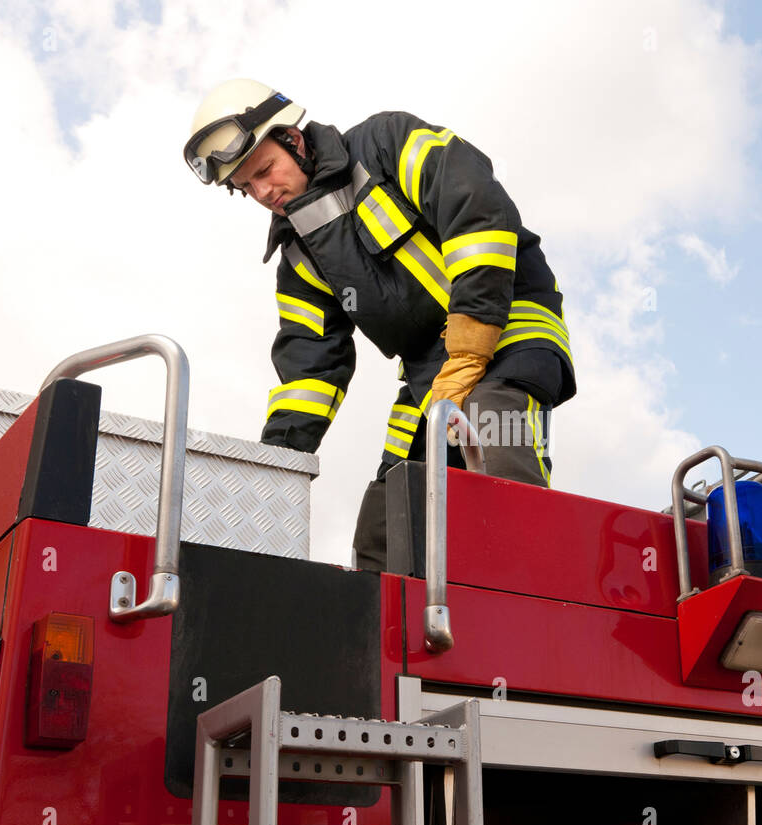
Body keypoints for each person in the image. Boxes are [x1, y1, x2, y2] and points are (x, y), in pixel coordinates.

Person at [185, 79, 575, 569]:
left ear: (294, 139)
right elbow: (310, 369)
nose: (263, 192)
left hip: (510, 326)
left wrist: (472, 345)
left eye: (265, 170)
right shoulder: (301, 258)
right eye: (246, 187)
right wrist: (275, 468)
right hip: (428, 374)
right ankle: (392, 640)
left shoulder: (386, 143)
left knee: (498, 453)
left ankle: (534, 602)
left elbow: (478, 212)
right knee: (386, 527)